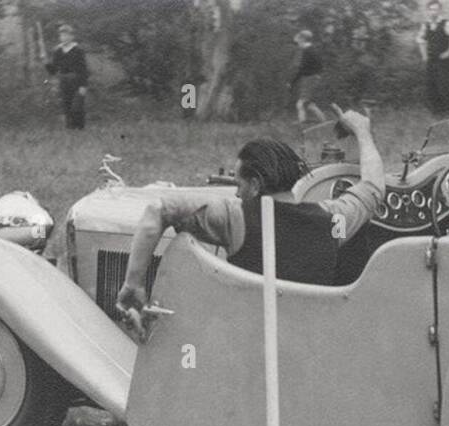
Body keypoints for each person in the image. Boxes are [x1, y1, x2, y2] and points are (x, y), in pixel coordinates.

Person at [116, 107, 385, 319]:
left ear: (255, 184)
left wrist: (133, 285)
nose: (236, 193)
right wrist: (362, 131)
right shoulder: (334, 220)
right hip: (308, 348)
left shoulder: (235, 218)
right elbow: (373, 186)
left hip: (246, 346)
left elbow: (157, 210)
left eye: (239, 184)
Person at [416, 2, 449, 116]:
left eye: (435, 10)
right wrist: (424, 55)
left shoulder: (446, 24)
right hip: (431, 60)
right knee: (431, 84)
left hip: (443, 60)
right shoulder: (426, 25)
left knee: (444, 84)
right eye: (431, 10)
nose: (433, 12)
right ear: (427, 11)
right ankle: (436, 112)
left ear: (440, 11)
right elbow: (420, 40)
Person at [44, 23, 89, 130]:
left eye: (67, 35)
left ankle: (80, 129)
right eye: (62, 35)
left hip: (77, 81)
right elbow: (53, 71)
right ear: (60, 37)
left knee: (77, 106)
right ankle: (70, 130)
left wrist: (83, 86)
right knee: (66, 106)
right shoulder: (57, 51)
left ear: (72, 36)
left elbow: (83, 70)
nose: (64, 38)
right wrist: (46, 63)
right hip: (64, 81)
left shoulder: (78, 50)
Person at [289, 30, 327, 124]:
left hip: (309, 79)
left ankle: (302, 123)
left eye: (298, 41)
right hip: (312, 78)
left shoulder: (307, 51)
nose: (297, 44)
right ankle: (324, 121)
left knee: (301, 104)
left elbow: (302, 69)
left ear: (303, 39)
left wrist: (292, 81)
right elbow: (320, 66)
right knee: (309, 104)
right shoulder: (313, 50)